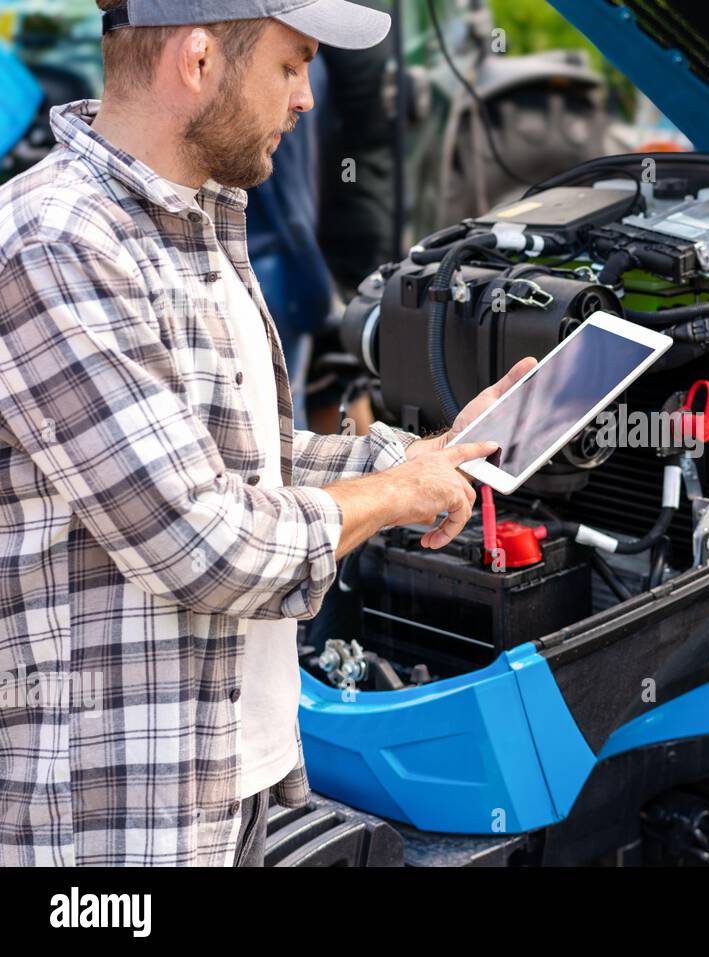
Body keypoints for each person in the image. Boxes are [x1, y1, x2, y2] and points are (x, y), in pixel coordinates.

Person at [0, 0, 535, 866]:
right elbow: (205, 539)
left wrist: (425, 455)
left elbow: (247, 466)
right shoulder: (58, 241)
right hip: (113, 826)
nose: (308, 99)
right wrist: (394, 494)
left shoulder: (195, 224)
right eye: (291, 64)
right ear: (200, 61)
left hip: (230, 783)